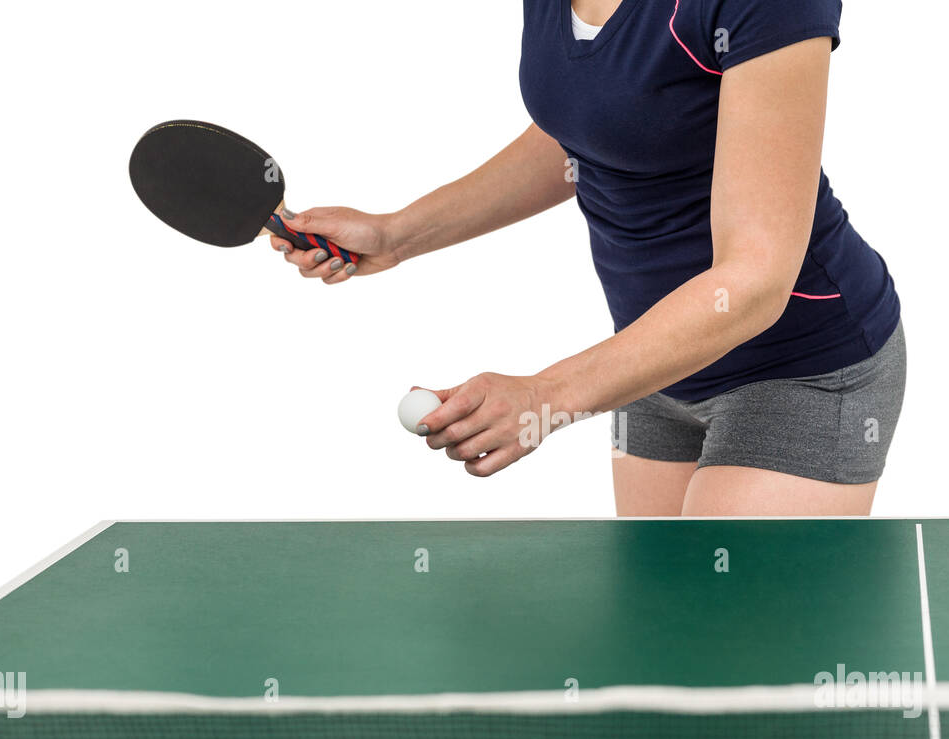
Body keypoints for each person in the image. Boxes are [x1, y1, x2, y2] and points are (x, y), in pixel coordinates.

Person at [271, 0, 905, 517]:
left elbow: (757, 279)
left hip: (801, 367)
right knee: (663, 641)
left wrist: (544, 396)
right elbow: (587, 130)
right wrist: (398, 233)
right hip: (652, 363)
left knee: (729, 647)